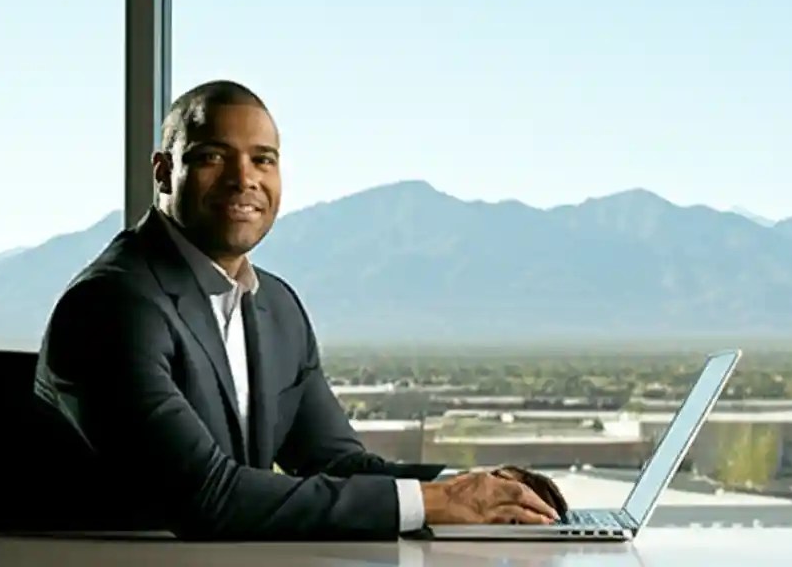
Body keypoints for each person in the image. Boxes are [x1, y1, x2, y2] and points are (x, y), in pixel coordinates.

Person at [34, 80, 568, 540]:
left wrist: (479, 488)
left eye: (263, 160)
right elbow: (207, 498)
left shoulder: (278, 306)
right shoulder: (110, 306)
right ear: (163, 171)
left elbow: (338, 465)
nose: (244, 179)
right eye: (213, 156)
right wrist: (437, 503)